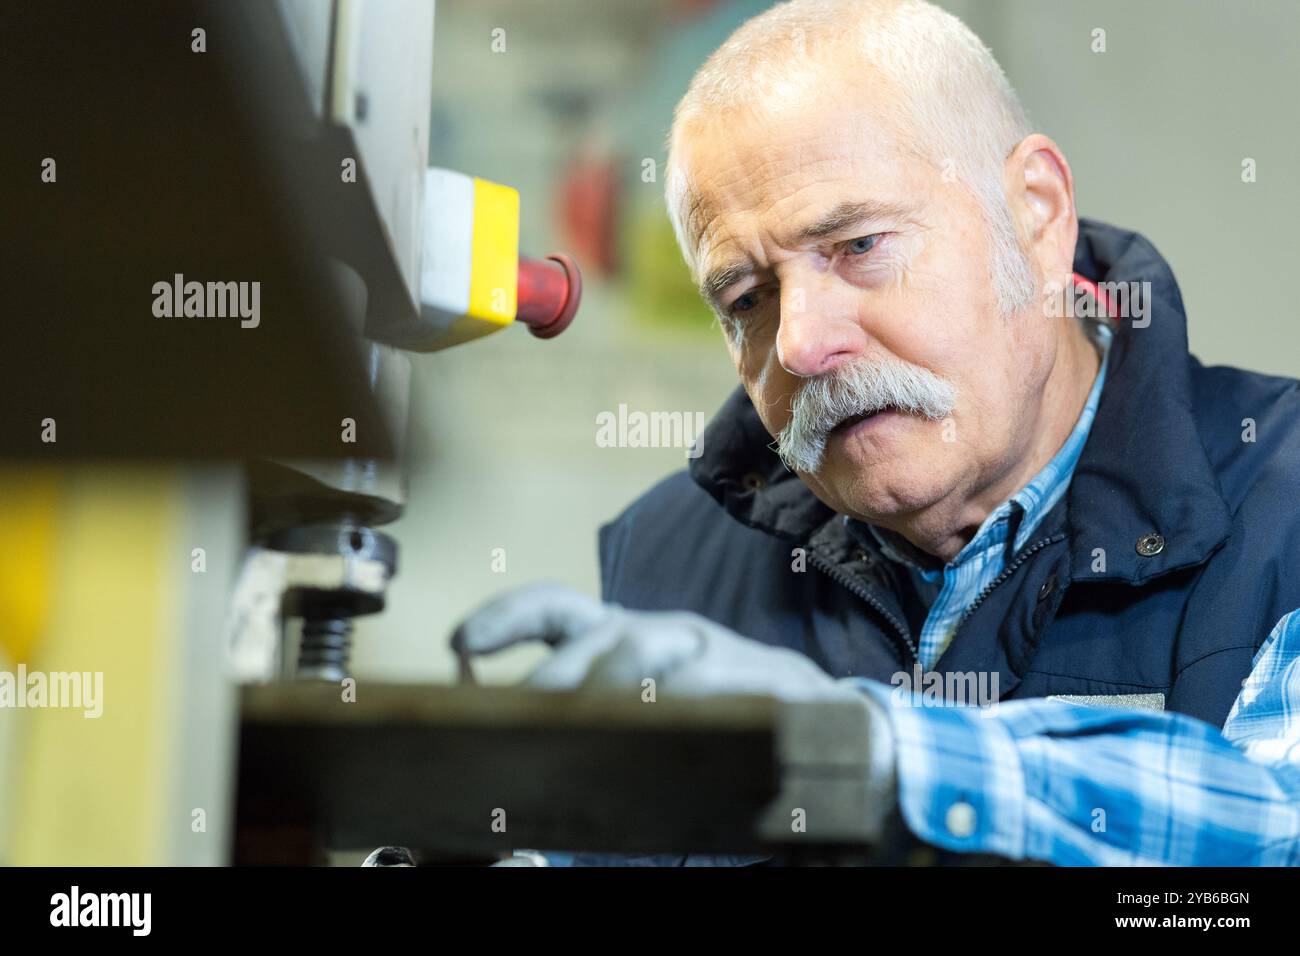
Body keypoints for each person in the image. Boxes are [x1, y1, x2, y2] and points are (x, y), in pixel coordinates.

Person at [455, 0, 1300, 865]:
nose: (802, 343)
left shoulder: (1287, 502)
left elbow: (1272, 828)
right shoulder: (665, 557)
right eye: (747, 298)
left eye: (858, 246)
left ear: (1037, 215)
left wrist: (869, 753)